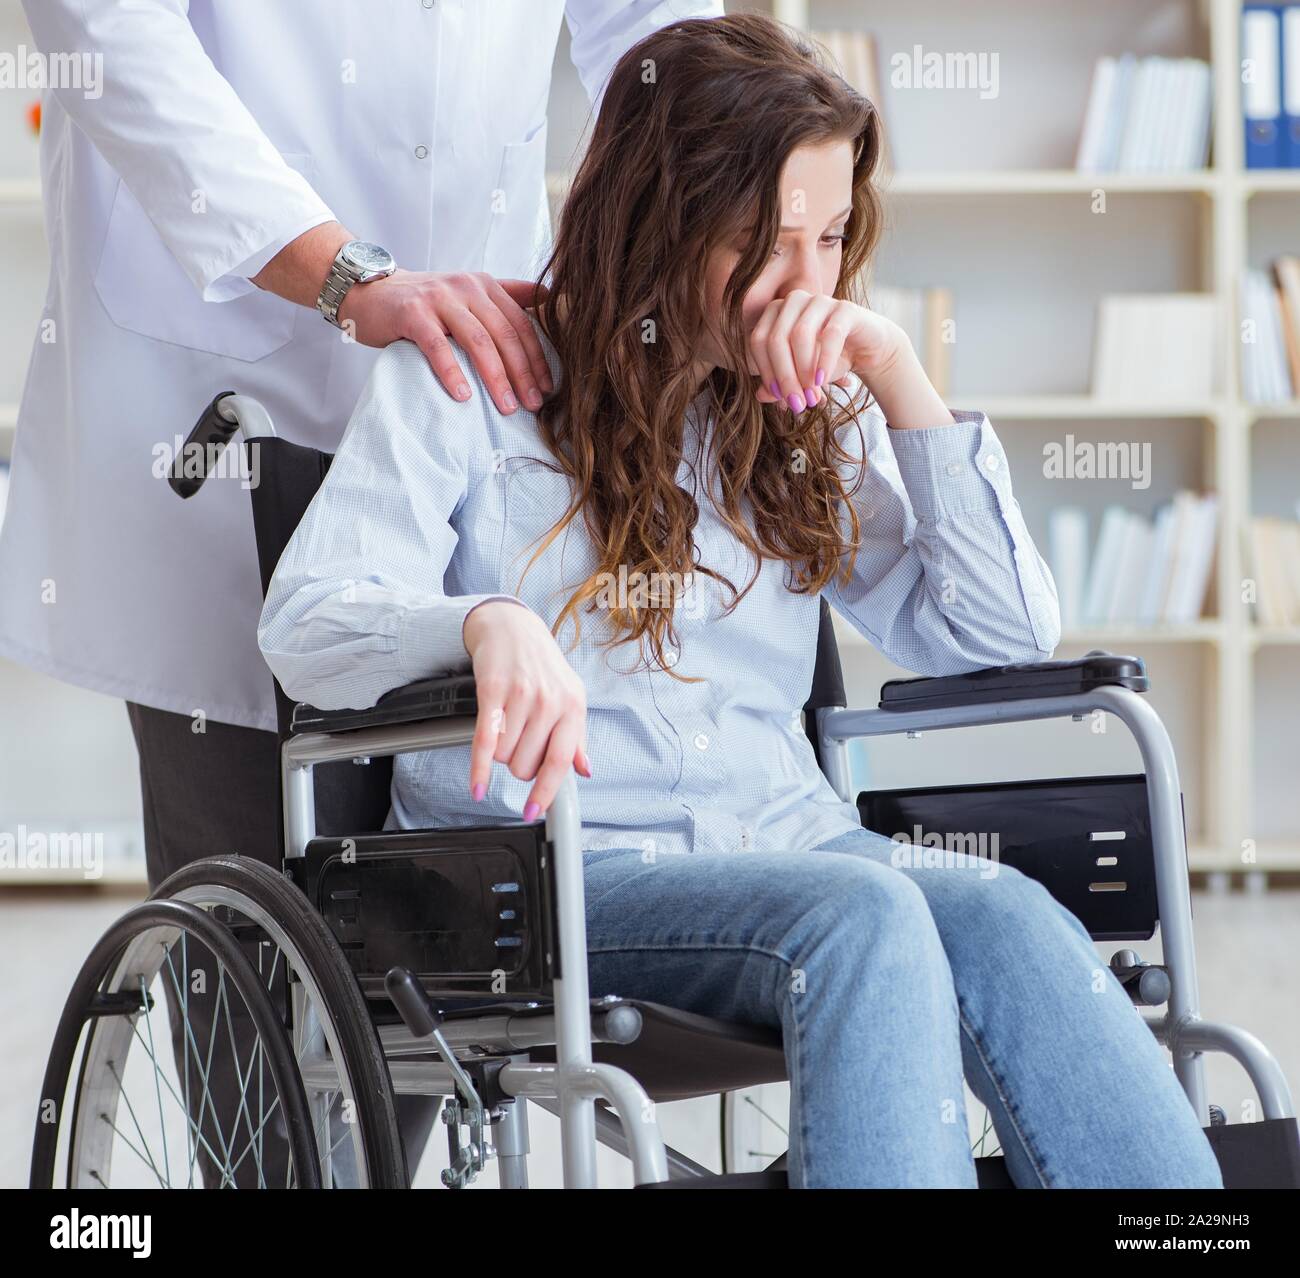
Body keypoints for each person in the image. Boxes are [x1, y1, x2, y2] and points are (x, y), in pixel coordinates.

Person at [256, 14, 1226, 1188]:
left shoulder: (797, 412)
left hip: (792, 845)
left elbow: (999, 637)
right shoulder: (472, 381)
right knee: (862, 918)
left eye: (828, 239)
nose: (804, 284)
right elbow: (307, 620)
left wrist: (896, 375)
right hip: (562, 874)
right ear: (661, 222)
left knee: (1002, 911)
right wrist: (477, 622)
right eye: (769, 242)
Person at [3, 0, 723, 1187]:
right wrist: (339, 270)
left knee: (434, 928)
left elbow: (659, 39)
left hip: (475, 369)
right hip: (225, 371)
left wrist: (720, 237)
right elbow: (106, 29)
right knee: (260, 945)